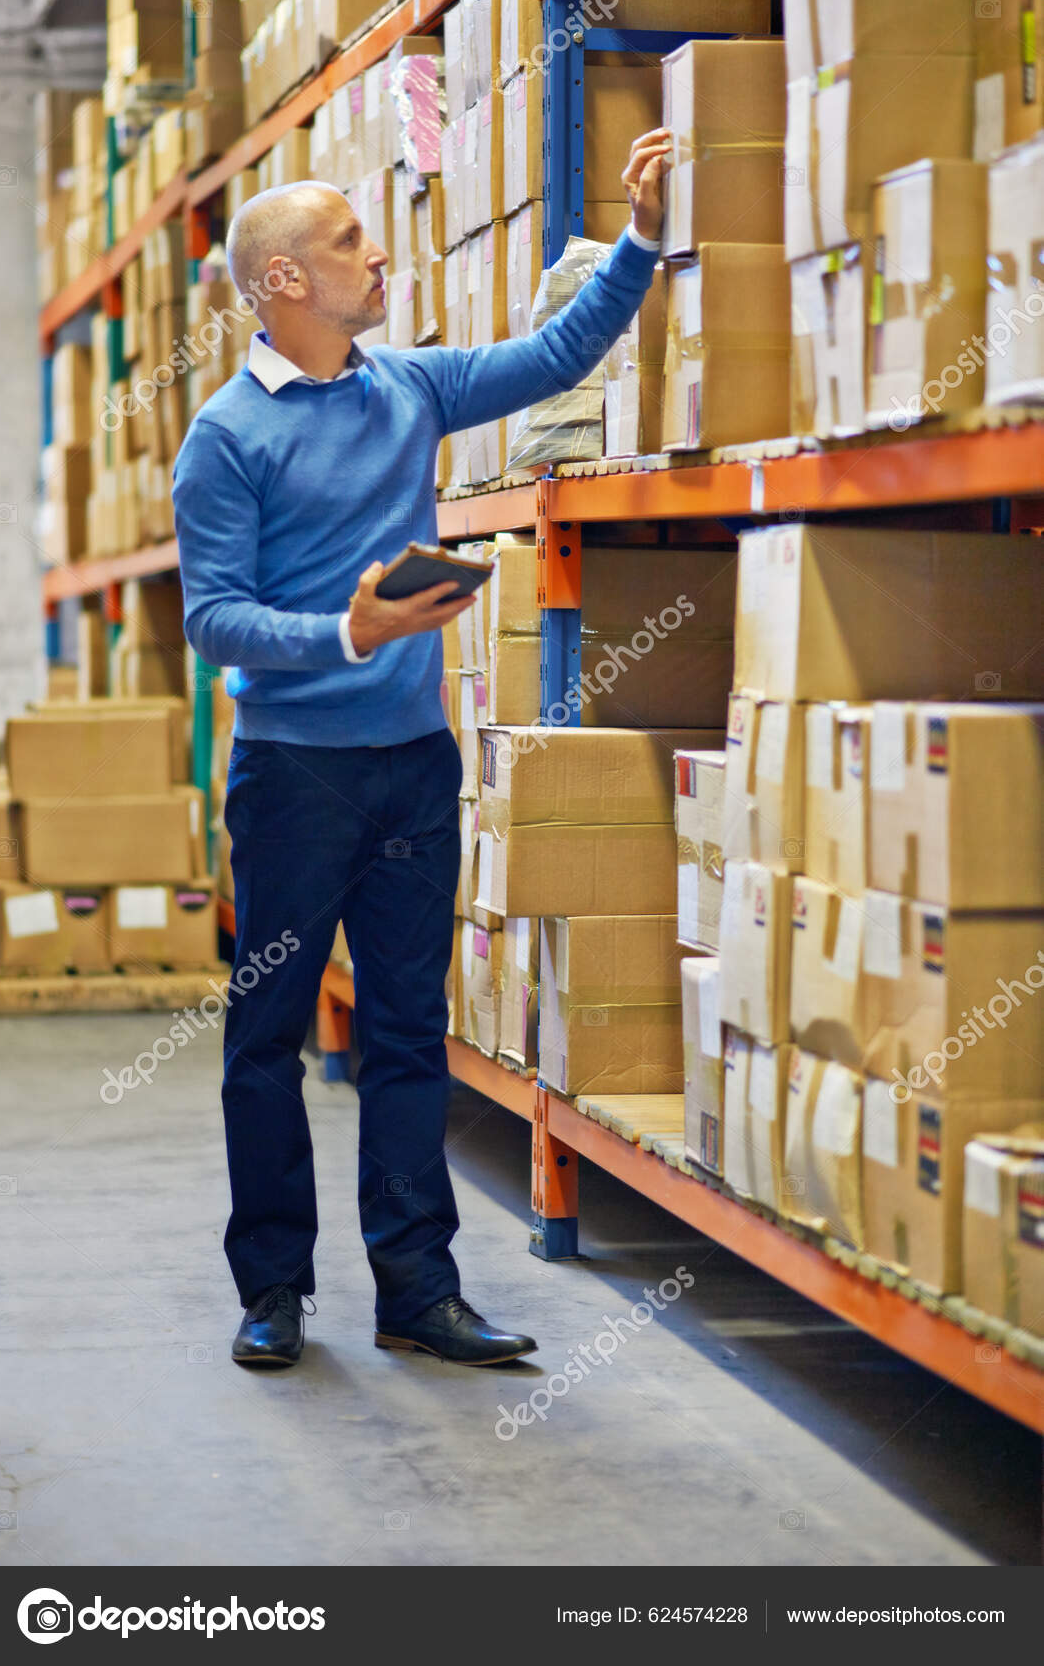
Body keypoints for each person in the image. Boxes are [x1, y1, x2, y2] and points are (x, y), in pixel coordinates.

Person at [172, 128, 670, 1369]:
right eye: (347, 240)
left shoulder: (409, 388)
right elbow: (211, 617)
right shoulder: (225, 438)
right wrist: (348, 626)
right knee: (266, 1036)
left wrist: (643, 237)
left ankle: (417, 1287)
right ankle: (273, 1288)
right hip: (292, 777)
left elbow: (555, 354)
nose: (376, 252)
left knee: (405, 1032)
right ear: (283, 281)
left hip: (410, 767)